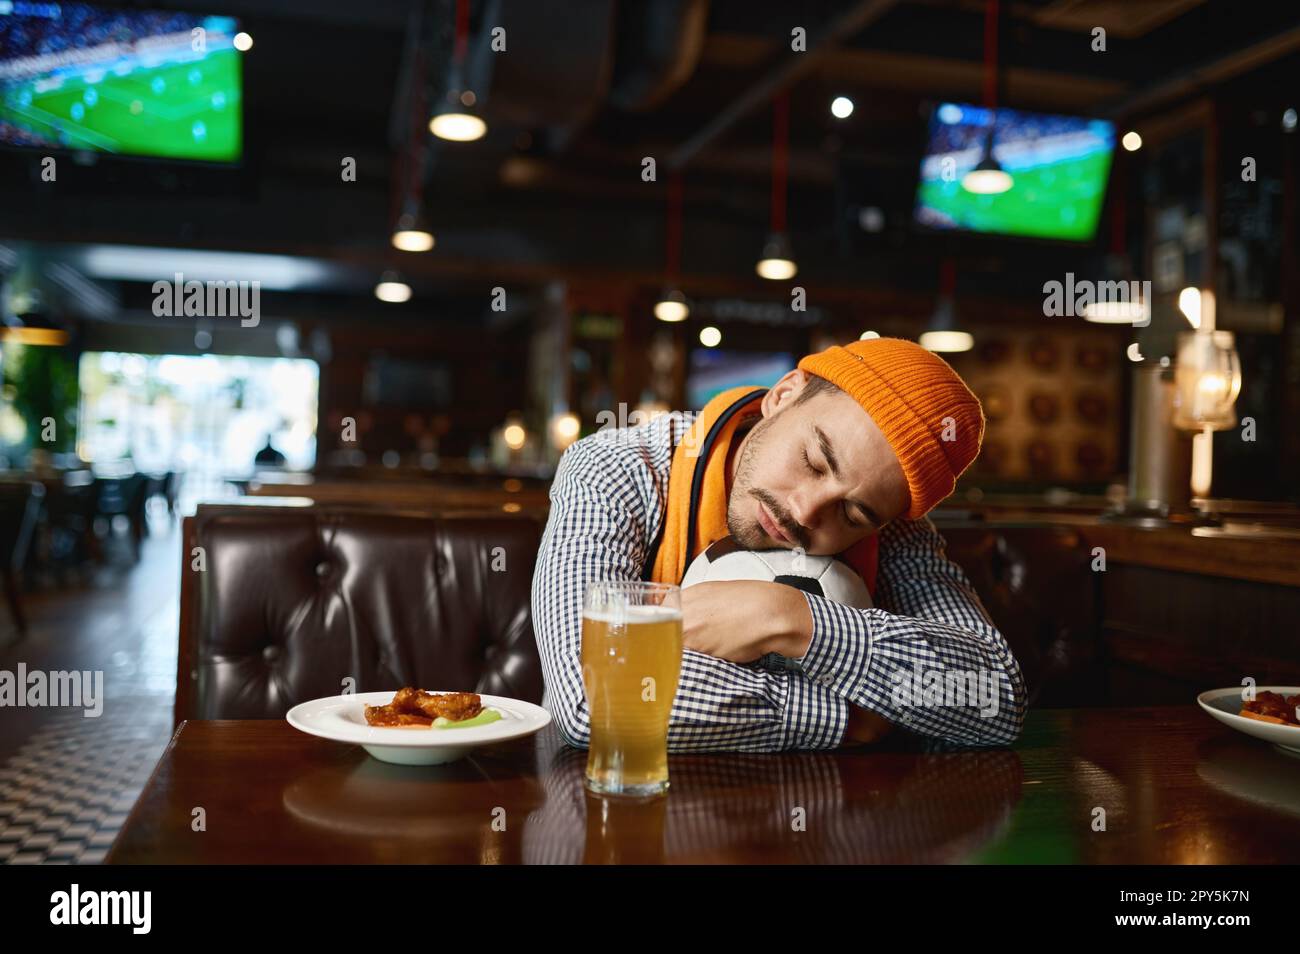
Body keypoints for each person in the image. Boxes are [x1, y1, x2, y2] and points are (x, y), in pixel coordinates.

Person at [531, 337, 1027, 752]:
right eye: (814, 461)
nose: (807, 510)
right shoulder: (617, 467)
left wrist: (789, 619)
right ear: (784, 395)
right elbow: (590, 699)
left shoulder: (891, 526)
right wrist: (845, 719)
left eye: (851, 513)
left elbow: (993, 697)